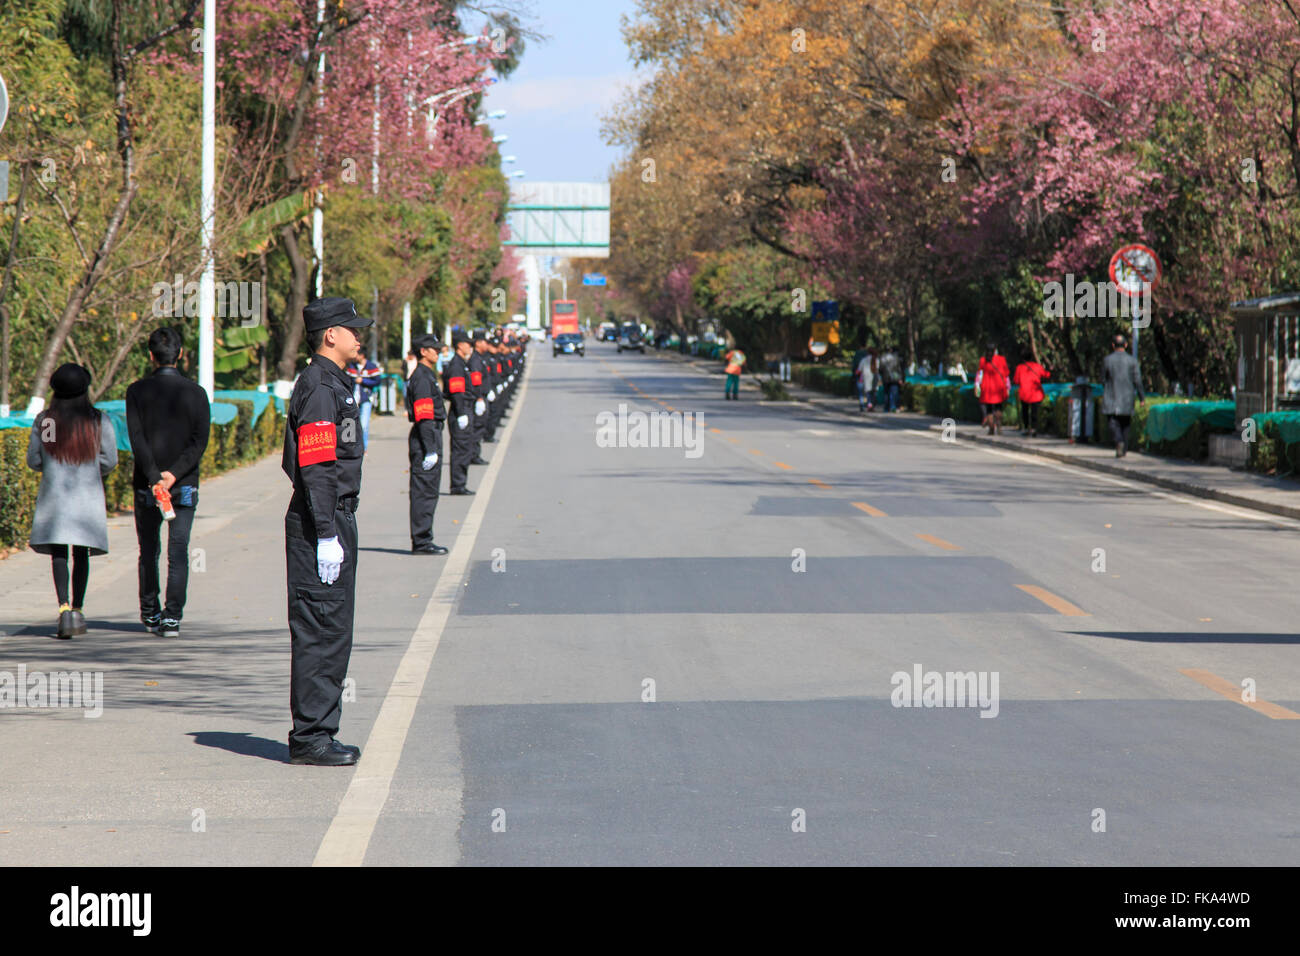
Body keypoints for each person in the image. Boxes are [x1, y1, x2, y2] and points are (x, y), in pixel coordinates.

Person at [281, 295, 372, 766]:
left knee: (333, 628)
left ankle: (320, 730)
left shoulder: (332, 383)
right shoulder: (320, 387)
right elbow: (316, 468)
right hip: (322, 519)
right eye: (353, 329)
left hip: (333, 516)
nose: (361, 336)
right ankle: (312, 737)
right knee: (321, 627)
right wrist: (325, 534)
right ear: (330, 335)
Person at [125, 327, 211, 638]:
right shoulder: (197, 393)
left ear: (150, 356)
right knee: (179, 551)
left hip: (146, 486)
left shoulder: (135, 391)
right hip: (184, 484)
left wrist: (153, 477)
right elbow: (199, 441)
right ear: (181, 355)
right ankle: (172, 617)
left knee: (148, 550)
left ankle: (149, 614)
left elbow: (136, 439)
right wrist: (173, 474)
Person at [25, 363, 118, 639]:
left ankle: (63, 608)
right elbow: (110, 460)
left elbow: (34, 459)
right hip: (86, 499)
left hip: (55, 498)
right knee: (81, 553)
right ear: (84, 389)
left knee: (59, 554)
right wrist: (89, 468)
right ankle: (78, 610)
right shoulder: (97, 420)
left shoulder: (48, 421)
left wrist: (54, 468)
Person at [406, 333, 448, 555]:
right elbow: (424, 416)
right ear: (424, 351)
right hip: (426, 437)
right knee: (424, 491)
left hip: (430, 434)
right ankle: (422, 541)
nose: (438, 352)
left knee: (429, 490)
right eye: (435, 349)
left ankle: (424, 538)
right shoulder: (422, 377)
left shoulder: (427, 374)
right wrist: (430, 449)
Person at [442, 331, 476, 495]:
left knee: (465, 448)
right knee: (460, 449)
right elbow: (456, 392)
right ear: (460, 345)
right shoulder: (456, 365)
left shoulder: (462, 363)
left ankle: (460, 483)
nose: (470, 346)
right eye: (467, 343)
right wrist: (462, 412)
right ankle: (457, 485)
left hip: (465, 408)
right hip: (460, 410)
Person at [1102, 333, 1144, 457]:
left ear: (1113, 345)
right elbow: (1138, 380)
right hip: (1127, 397)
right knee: (1126, 424)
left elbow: (1103, 380)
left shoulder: (1107, 360)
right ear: (1126, 345)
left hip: (1111, 397)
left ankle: (1119, 442)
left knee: (1113, 423)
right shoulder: (1132, 361)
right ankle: (1123, 448)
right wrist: (1142, 397)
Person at [345, 353, 383, 452]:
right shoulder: (351, 366)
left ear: (362, 355)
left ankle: (363, 447)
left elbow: (378, 381)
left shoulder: (371, 367)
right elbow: (347, 380)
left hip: (366, 399)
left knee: (364, 425)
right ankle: (352, 448)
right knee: (351, 423)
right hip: (353, 400)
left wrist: (363, 381)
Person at [976, 344, 1010, 435]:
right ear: (995, 350)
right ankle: (998, 423)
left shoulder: (983, 360)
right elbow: (1006, 373)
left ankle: (991, 428)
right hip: (998, 387)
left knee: (989, 409)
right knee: (998, 407)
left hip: (987, 387)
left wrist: (977, 386)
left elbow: (980, 373)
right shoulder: (1001, 359)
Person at [1012, 356, 1049, 438]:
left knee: (1025, 411)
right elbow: (1046, 375)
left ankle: (1026, 428)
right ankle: (1034, 428)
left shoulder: (1020, 367)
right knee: (1034, 412)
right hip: (1035, 393)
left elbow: (1016, 380)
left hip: (1024, 393)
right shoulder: (1037, 366)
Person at [468, 331, 491, 465]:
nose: (487, 345)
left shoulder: (480, 358)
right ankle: (473, 455)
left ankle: (475, 454)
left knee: (480, 427)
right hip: (479, 398)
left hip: (483, 397)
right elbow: (476, 381)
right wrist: (479, 398)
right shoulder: (476, 360)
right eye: (484, 342)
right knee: (477, 428)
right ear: (478, 343)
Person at [878, 347, 902, 412]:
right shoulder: (896, 358)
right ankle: (893, 406)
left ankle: (886, 408)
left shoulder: (882, 358)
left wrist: (882, 375)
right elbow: (899, 369)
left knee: (886, 393)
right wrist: (900, 378)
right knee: (894, 393)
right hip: (894, 378)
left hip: (885, 378)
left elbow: (880, 369)